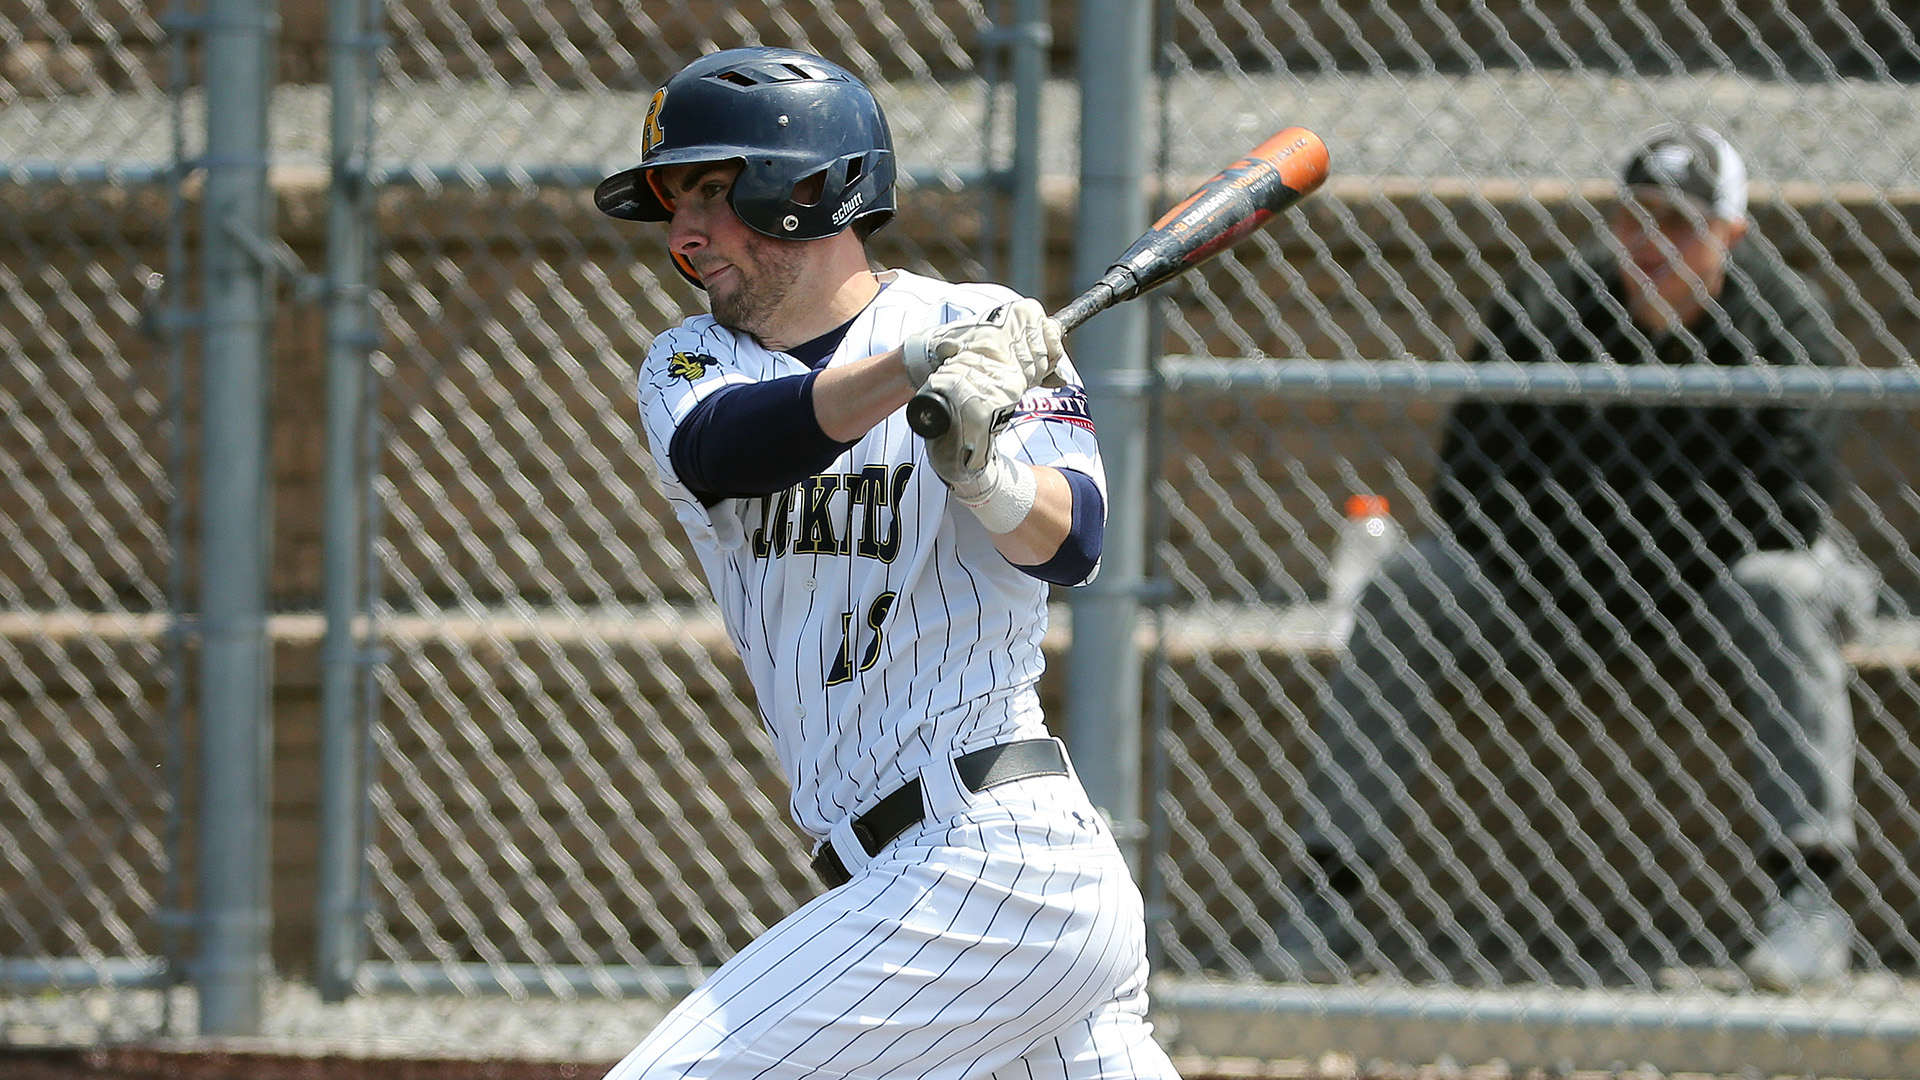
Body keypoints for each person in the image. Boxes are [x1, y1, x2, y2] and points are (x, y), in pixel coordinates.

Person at [593, 47, 1182, 1080]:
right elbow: (729, 448)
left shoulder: (988, 332)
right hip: (914, 883)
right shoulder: (689, 363)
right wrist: (914, 370)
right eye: (673, 201)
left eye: (714, 192)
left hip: (992, 860)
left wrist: (982, 471)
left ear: (809, 189)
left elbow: (1076, 542)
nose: (685, 233)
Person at [1266, 123, 1875, 990]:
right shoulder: (1547, 308)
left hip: (1710, 595)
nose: (1652, 243)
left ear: (1731, 234)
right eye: (1633, 218)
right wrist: (1629, 538)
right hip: (1566, 586)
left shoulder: (1783, 324)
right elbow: (1471, 485)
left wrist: (1606, 527)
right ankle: (1324, 900)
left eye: (1681, 222)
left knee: (1782, 586)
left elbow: (1786, 508)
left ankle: (1809, 899)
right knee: (1408, 585)